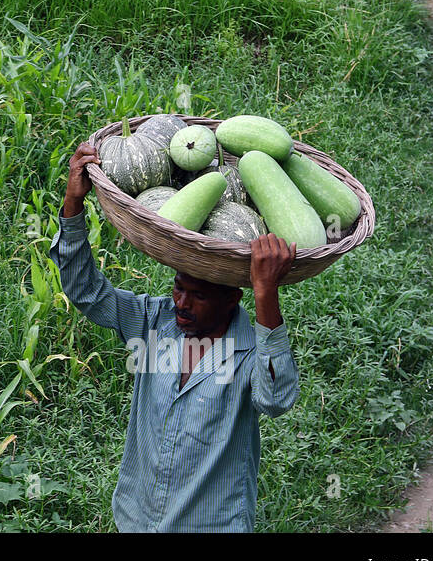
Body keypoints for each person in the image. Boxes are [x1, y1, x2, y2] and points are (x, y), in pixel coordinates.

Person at [49, 141, 300, 531]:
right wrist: (73, 204)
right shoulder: (154, 322)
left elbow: (276, 399)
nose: (181, 303)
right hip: (137, 517)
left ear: (233, 298)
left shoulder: (250, 353)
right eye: (178, 287)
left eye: (198, 296)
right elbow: (87, 292)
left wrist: (267, 293)